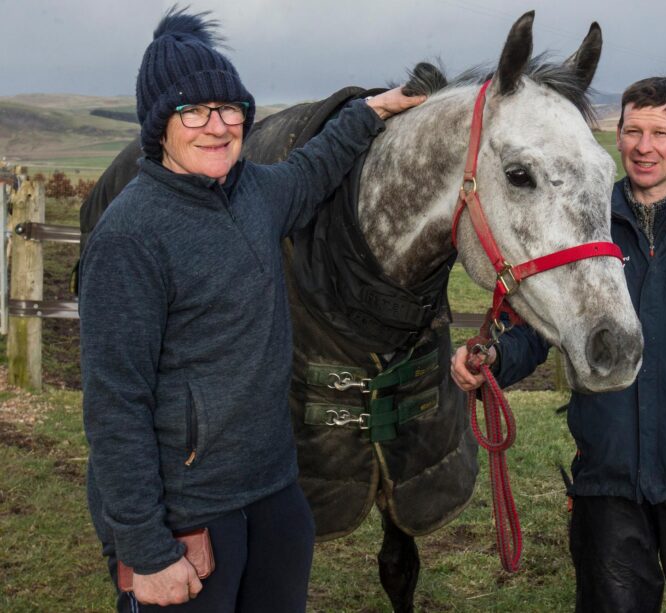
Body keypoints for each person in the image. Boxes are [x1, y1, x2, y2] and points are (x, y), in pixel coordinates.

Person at [79, 8, 425, 612]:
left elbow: (315, 167)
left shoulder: (255, 194)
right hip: (187, 513)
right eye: (194, 111)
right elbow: (114, 404)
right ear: (160, 124)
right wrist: (146, 548)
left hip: (275, 494)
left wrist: (373, 111)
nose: (216, 127)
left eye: (229, 108)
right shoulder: (130, 235)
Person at [451, 76, 666, 612]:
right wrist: (495, 361)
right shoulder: (584, 233)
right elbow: (539, 329)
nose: (644, 146)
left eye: (660, 132)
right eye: (632, 130)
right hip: (608, 487)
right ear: (616, 136)